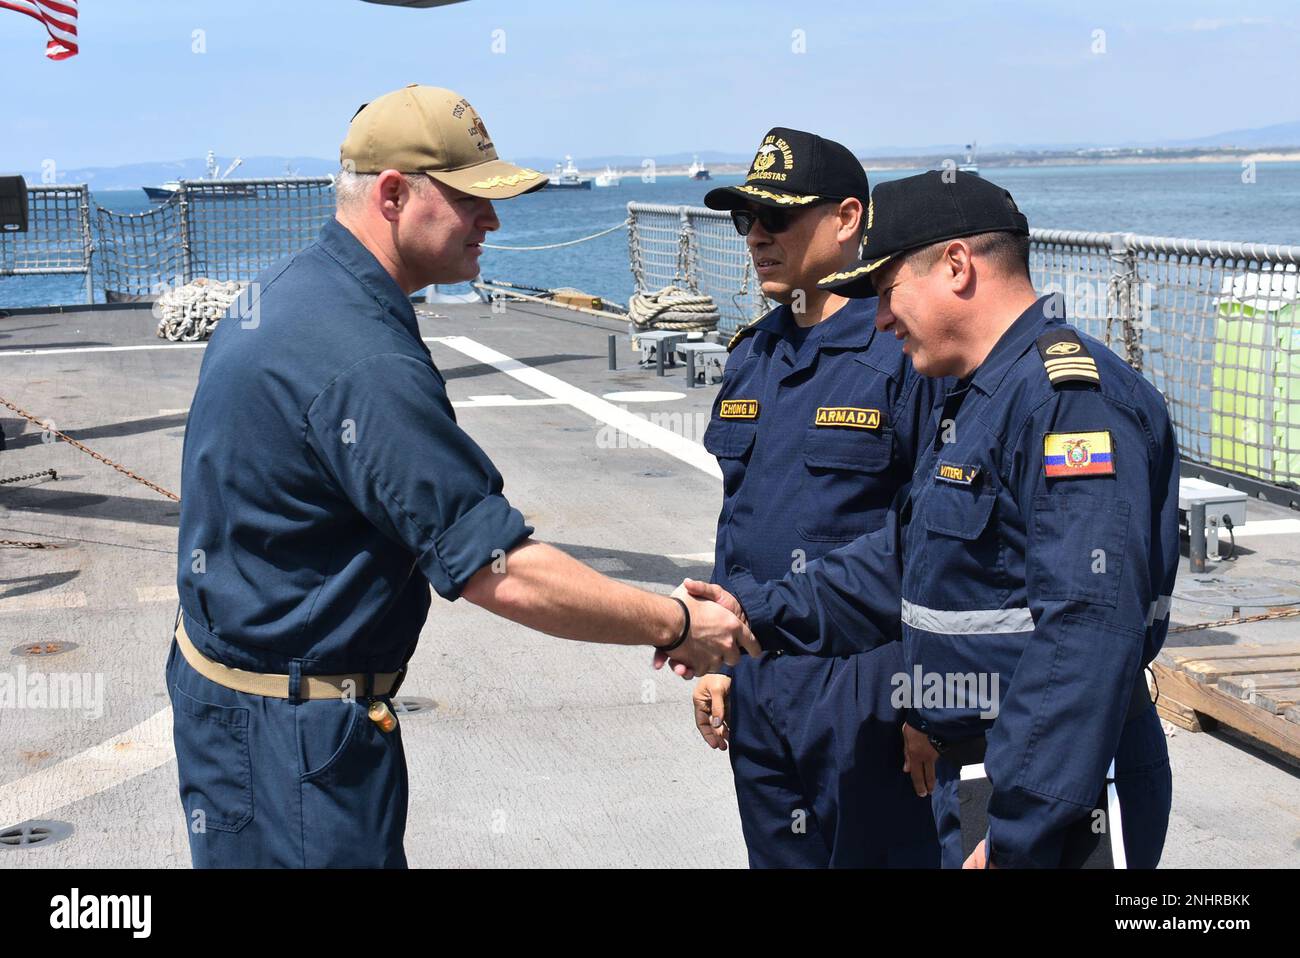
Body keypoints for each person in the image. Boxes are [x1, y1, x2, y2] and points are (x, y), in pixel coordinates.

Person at [167, 84, 757, 869]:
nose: (493, 219)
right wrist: (680, 625)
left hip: (240, 706)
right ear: (391, 194)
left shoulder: (288, 292)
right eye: (470, 198)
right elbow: (500, 572)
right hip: (295, 742)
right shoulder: (361, 359)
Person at [681, 170, 1178, 868]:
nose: (880, 319)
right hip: (977, 775)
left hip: (1059, 787)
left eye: (886, 294)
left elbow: (1086, 634)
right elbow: (901, 560)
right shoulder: (979, 400)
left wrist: (1017, 835)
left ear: (956, 266)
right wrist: (748, 614)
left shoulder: (1067, 405)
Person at [687, 128, 940, 867]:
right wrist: (717, 661)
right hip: (760, 682)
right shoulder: (752, 357)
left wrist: (930, 704)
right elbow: (739, 523)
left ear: (847, 218)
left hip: (868, 690)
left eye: (778, 217)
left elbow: (934, 543)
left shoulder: (905, 354)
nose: (758, 236)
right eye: (746, 221)